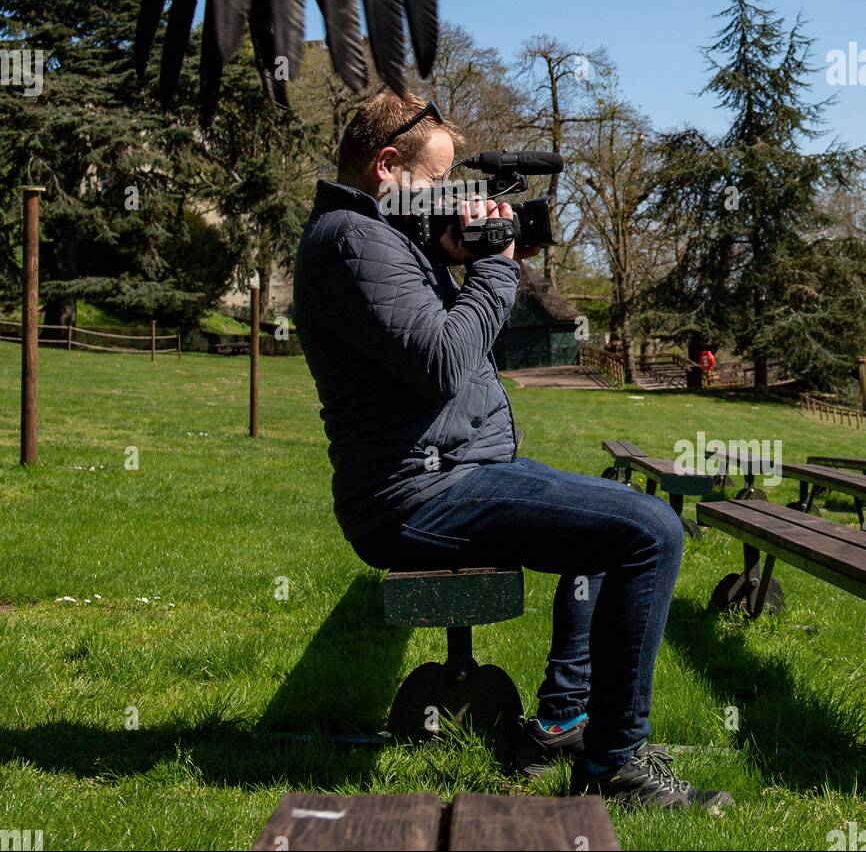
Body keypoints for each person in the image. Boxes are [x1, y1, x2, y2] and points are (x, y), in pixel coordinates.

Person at [292, 90, 734, 812]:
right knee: (650, 531)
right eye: (435, 181)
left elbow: (423, 330)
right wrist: (496, 265)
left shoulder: (379, 237)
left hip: (457, 472)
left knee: (614, 527)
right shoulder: (351, 239)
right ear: (385, 166)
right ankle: (616, 768)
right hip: (414, 497)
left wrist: (457, 252)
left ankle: (564, 722)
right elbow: (439, 359)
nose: (445, 196)